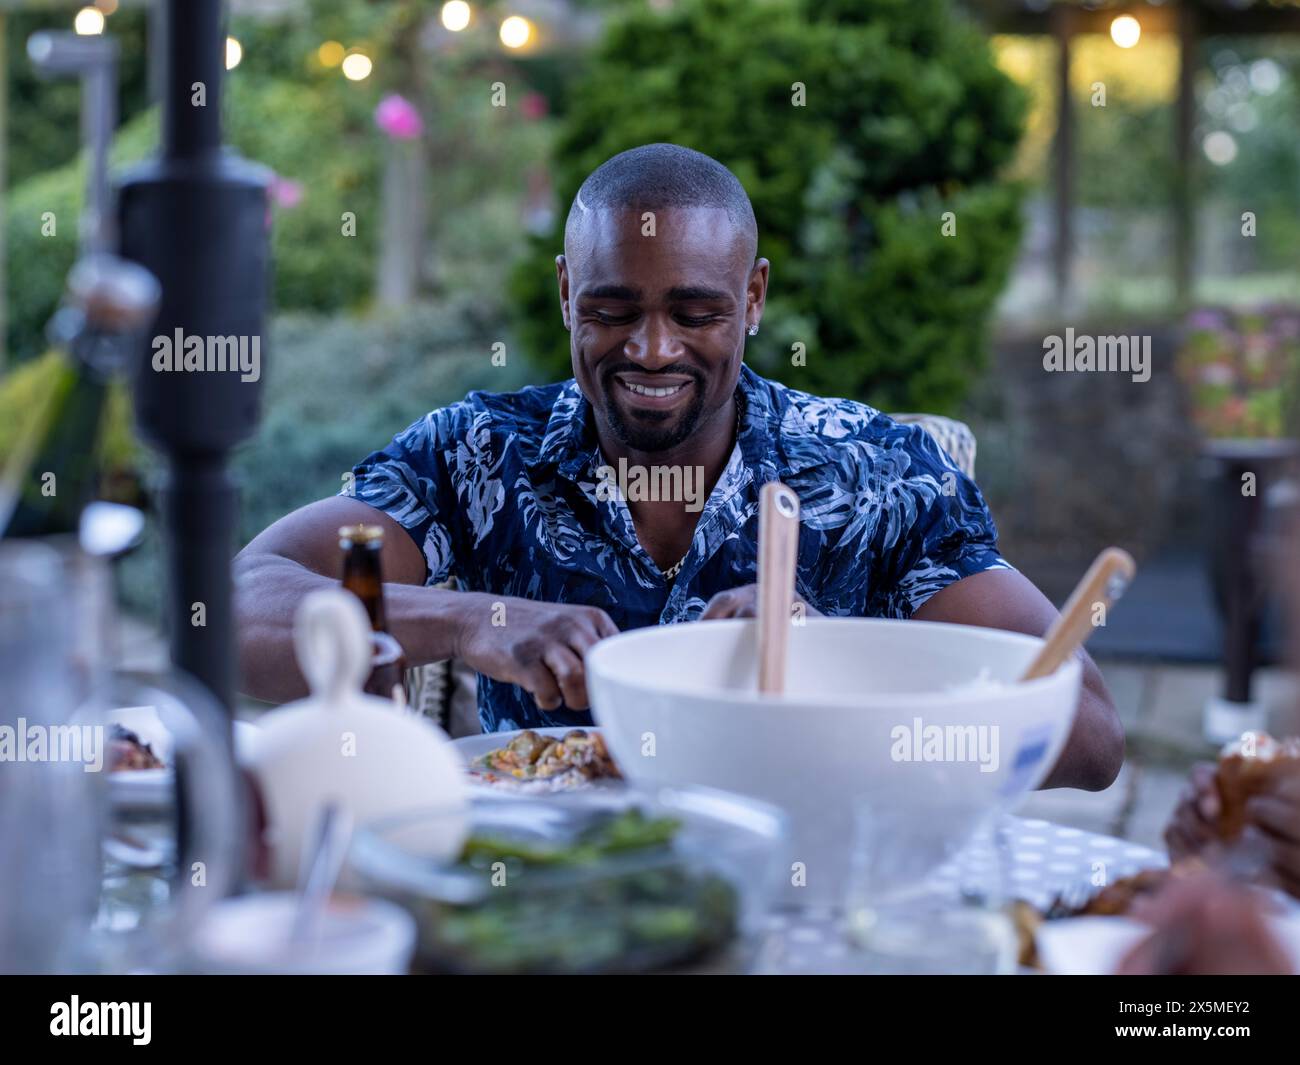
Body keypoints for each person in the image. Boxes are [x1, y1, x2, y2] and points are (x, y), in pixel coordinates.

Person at [233, 143, 1122, 790]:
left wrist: (840, 664)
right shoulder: (481, 454)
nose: (652, 350)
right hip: (554, 910)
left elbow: (1087, 732)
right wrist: (471, 622)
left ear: (755, 297)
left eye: (696, 313)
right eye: (613, 309)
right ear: (565, 294)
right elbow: (237, 607)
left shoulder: (878, 473)